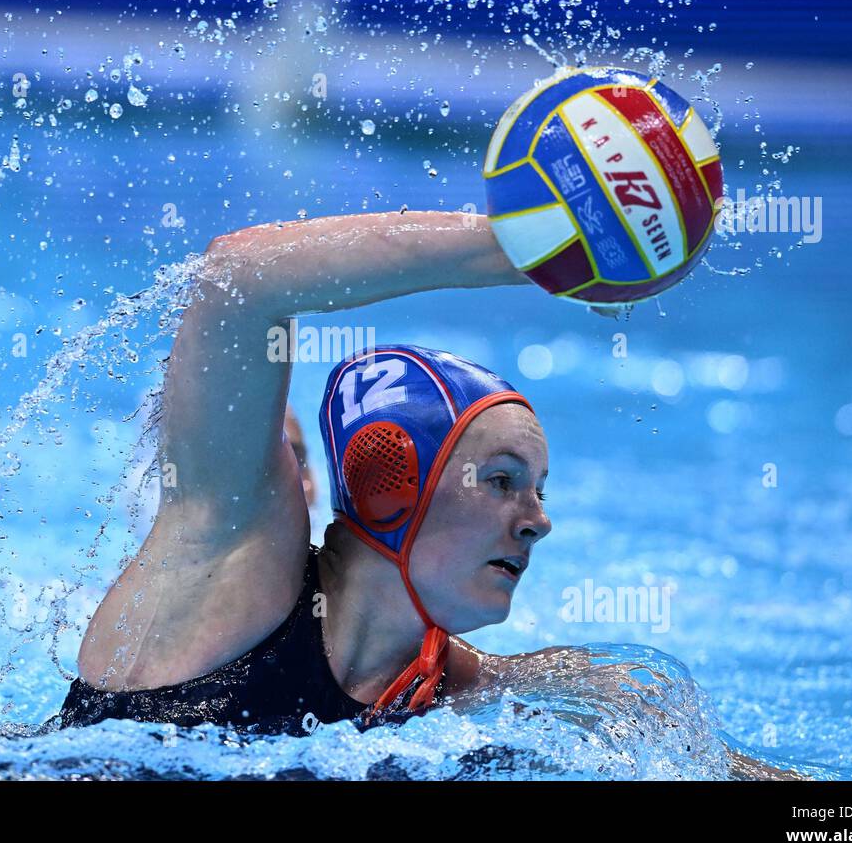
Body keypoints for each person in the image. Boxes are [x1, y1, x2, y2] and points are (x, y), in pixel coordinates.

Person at [53, 210, 800, 779]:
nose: (539, 521)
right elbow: (241, 275)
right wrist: (534, 248)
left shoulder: (447, 686)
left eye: (538, 490)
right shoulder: (226, 572)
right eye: (504, 481)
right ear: (393, 484)